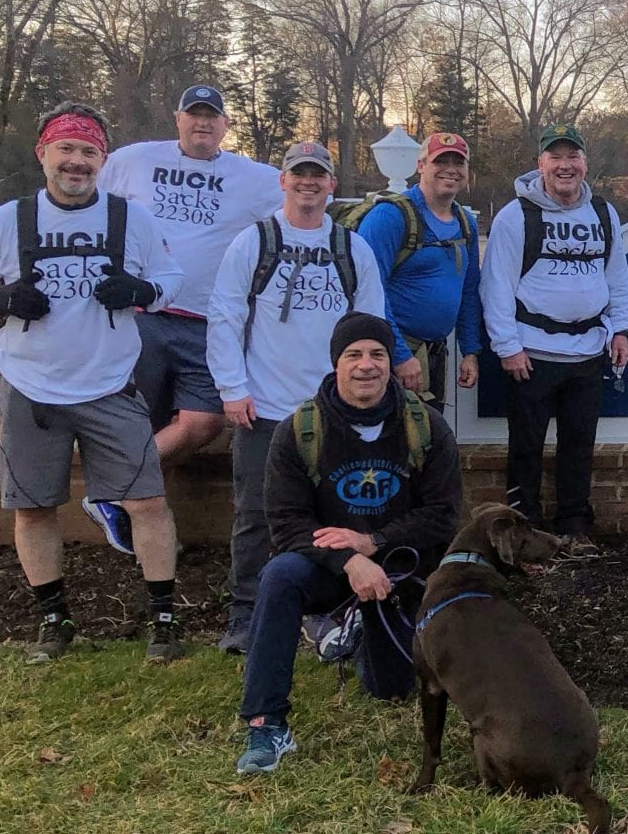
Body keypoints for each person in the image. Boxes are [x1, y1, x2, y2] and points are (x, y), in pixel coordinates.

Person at [0, 103, 188, 662]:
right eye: (66, 150)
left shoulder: (130, 220)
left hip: (111, 385)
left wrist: (143, 293)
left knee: (146, 501)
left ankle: (164, 623)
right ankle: (53, 621)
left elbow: (171, 276)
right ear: (44, 155)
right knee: (33, 508)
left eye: (89, 152)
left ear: (102, 159)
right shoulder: (8, 220)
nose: (77, 162)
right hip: (32, 388)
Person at [236, 313, 463, 774]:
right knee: (279, 577)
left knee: (391, 690)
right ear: (335, 363)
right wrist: (349, 561)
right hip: (327, 567)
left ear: (391, 362)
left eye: (378, 354)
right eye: (353, 355)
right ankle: (266, 724)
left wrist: (373, 541)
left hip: (401, 569)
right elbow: (286, 524)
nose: (367, 365)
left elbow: (443, 516)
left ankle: (357, 633)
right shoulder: (299, 430)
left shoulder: (427, 427)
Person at [207, 141, 387, 654]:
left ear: (332, 185)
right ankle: (245, 614)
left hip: (335, 409)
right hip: (264, 405)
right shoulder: (254, 242)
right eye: (298, 174)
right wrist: (232, 388)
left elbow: (371, 325)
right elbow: (225, 316)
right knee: (256, 514)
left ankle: (325, 611)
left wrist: (366, 392)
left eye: (318, 175)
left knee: (338, 511)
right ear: (282, 182)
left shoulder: (353, 249)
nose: (308, 183)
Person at [100, 85, 284, 471]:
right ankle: (130, 509)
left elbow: (315, 200)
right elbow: (83, 199)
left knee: (205, 422)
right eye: (194, 114)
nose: (203, 122)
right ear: (178, 119)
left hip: (208, 323)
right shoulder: (134, 160)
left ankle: (115, 490)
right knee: (135, 419)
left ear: (225, 125)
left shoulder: (253, 177)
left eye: (211, 116)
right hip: (142, 314)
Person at [479, 123, 628, 537]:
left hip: (589, 351)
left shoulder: (603, 212)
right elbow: (495, 285)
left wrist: (621, 328)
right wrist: (507, 346)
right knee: (526, 450)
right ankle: (523, 533)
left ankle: (574, 527)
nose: (565, 166)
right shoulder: (517, 216)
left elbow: (616, 275)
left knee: (578, 447)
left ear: (585, 163)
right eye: (556, 157)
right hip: (532, 353)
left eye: (573, 157)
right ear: (541, 164)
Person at [353, 131, 484, 412]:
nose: (450, 169)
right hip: (389, 356)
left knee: (426, 441)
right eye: (440, 161)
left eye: (458, 163)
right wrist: (399, 356)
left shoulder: (465, 223)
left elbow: (469, 291)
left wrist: (470, 351)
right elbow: (368, 292)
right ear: (421, 165)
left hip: (434, 355)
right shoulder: (389, 217)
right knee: (390, 443)